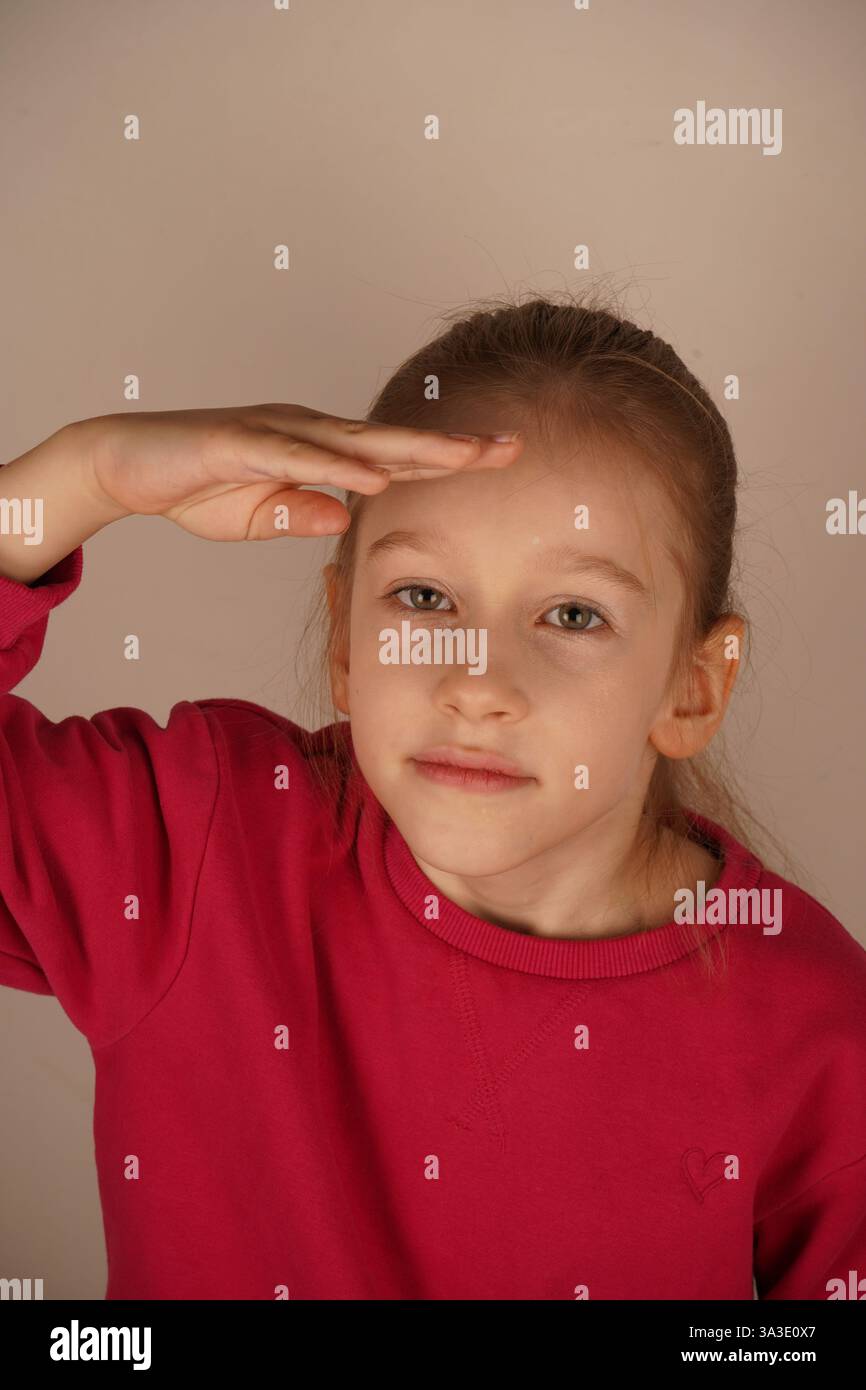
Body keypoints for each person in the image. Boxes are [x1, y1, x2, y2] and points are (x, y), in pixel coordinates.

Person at [1, 294, 865, 1301]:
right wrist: (78, 476)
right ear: (343, 640)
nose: (476, 681)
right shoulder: (192, 839)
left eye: (572, 613)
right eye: (423, 598)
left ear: (691, 686)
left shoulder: (814, 1028)